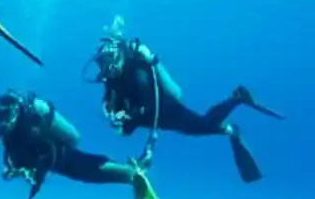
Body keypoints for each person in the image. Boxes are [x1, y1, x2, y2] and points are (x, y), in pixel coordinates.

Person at [89, 33, 284, 183]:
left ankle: (235, 104)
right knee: (202, 126)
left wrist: (130, 123)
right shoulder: (113, 81)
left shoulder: (138, 71)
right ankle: (232, 115)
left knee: (202, 125)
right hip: (156, 117)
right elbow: (121, 117)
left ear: (117, 55)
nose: (105, 69)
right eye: (102, 64)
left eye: (107, 62)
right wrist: (117, 120)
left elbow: (150, 105)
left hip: (167, 109)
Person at [0, 89, 170, 199]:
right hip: (52, 162)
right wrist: (15, 172)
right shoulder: (9, 138)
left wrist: (33, 194)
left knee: (90, 170)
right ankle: (131, 172)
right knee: (90, 169)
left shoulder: (31, 126)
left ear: (14, 110)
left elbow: (46, 158)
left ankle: (131, 174)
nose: (2, 120)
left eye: (4, 114)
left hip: (59, 156)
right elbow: (15, 161)